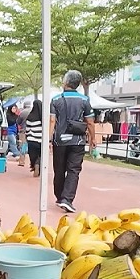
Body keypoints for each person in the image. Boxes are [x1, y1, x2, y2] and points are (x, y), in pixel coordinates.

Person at [50, 70, 96, 213]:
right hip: (77, 141)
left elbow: (52, 120)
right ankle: (67, 199)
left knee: (59, 170)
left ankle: (60, 197)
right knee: (73, 170)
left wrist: (49, 139)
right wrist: (92, 139)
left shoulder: (56, 99)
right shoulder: (84, 100)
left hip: (60, 141)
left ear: (66, 82)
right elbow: (90, 122)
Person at [25, 99, 44, 177]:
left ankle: (34, 165)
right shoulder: (43, 117)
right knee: (41, 155)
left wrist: (27, 137)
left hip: (31, 140)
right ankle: (38, 164)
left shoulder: (30, 116)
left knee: (33, 155)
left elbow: (27, 129)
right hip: (41, 140)